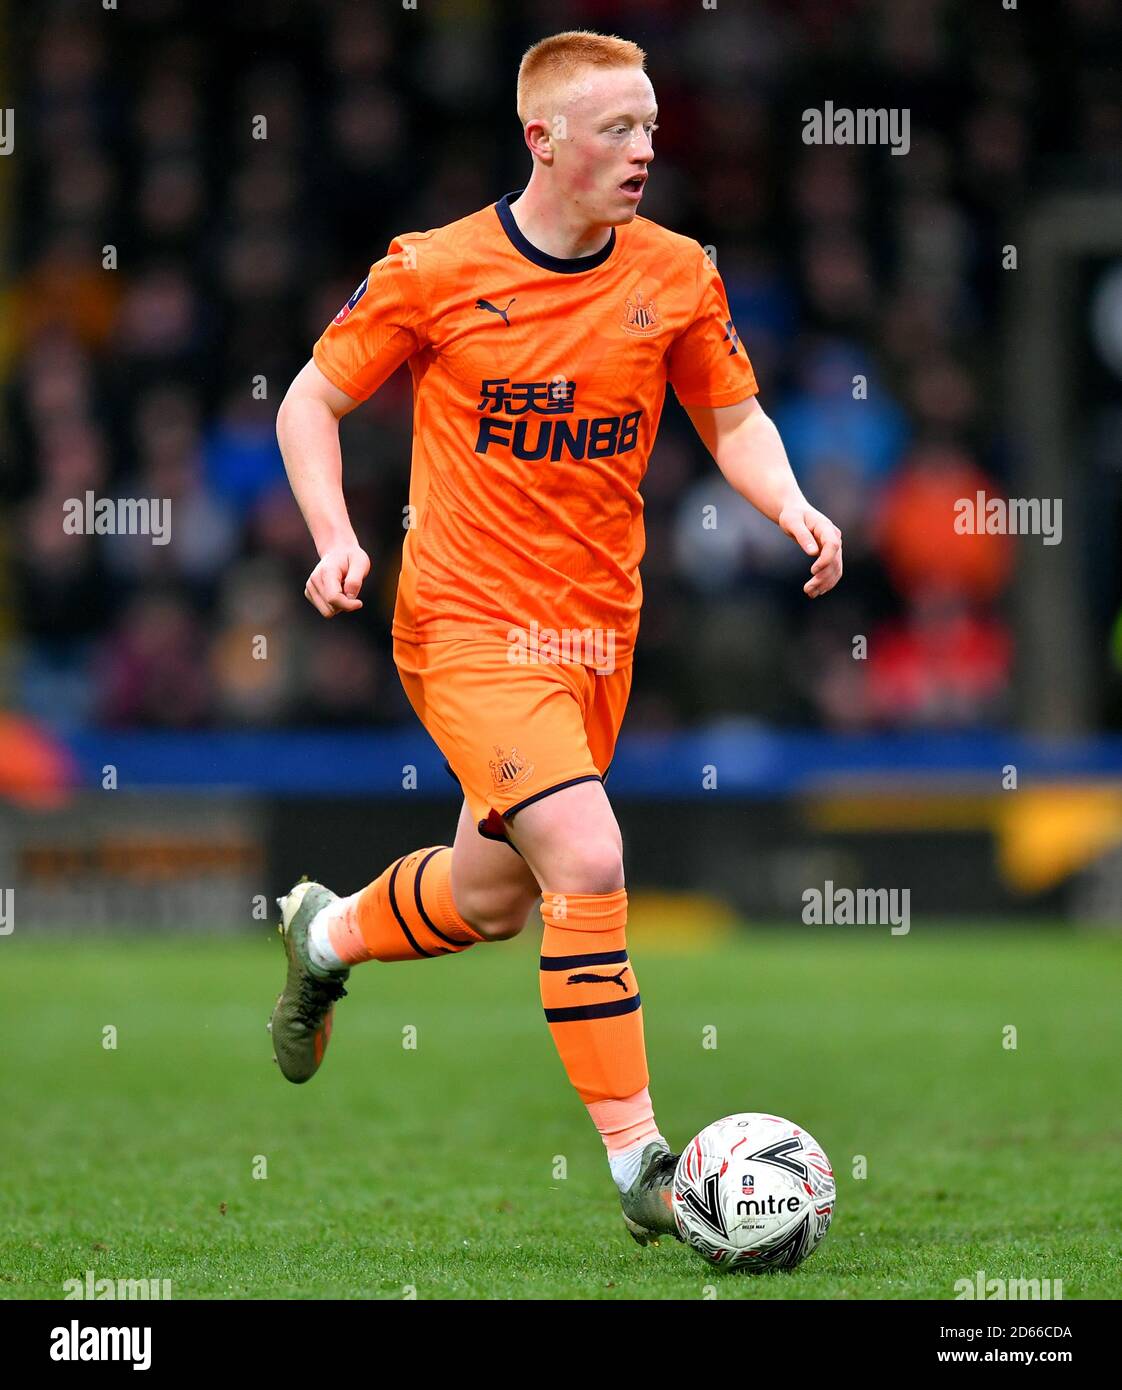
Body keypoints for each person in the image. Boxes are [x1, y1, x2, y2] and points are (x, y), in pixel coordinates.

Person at [269, 29, 843, 1246]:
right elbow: (310, 397)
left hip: (596, 636)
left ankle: (322, 932)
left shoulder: (679, 272)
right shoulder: (434, 269)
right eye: (620, 129)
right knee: (586, 856)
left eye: (649, 127)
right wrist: (332, 533)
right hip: (464, 623)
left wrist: (787, 500)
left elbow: (732, 416)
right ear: (546, 139)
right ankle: (646, 1164)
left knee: (491, 899)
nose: (646, 149)